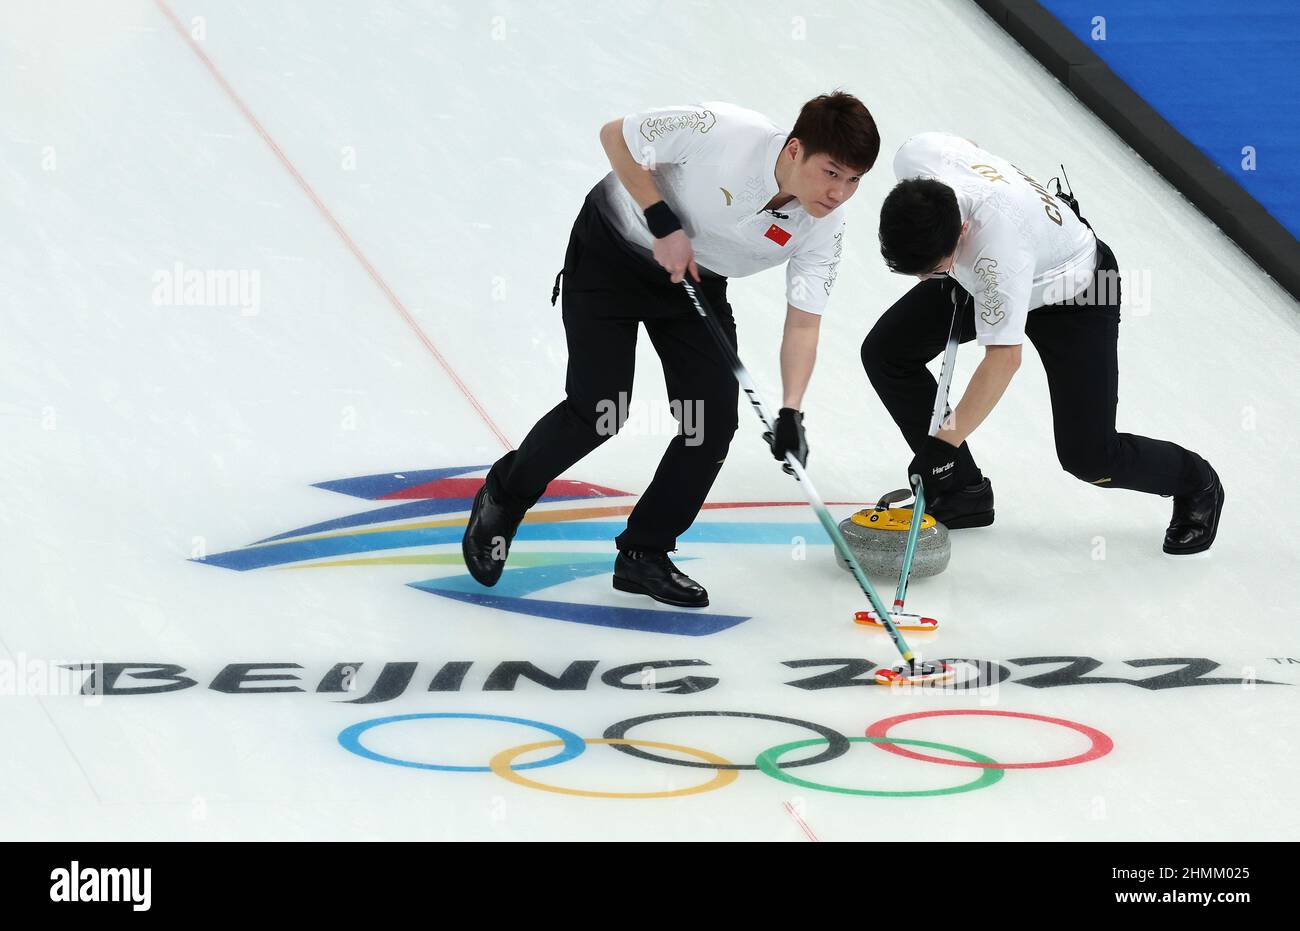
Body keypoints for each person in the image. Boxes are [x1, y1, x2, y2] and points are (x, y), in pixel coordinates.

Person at [462, 93, 880, 605]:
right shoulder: (722, 131)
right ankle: (504, 495)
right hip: (612, 251)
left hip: (694, 281)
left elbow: (803, 323)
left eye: (854, 180)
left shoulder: (823, 225)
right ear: (795, 150)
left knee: (711, 421)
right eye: (831, 172)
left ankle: (644, 553)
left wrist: (792, 410)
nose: (839, 193)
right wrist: (661, 218)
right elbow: (616, 135)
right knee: (599, 410)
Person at [862, 132, 1223, 554]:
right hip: (1001, 266)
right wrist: (949, 269)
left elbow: (1003, 361)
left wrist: (944, 442)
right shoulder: (919, 157)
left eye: (933, 268)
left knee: (1089, 457)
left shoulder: (997, 255)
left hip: (1078, 292)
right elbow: (970, 147)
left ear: (961, 232)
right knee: (887, 352)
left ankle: (1197, 481)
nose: (925, 279)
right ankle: (961, 492)